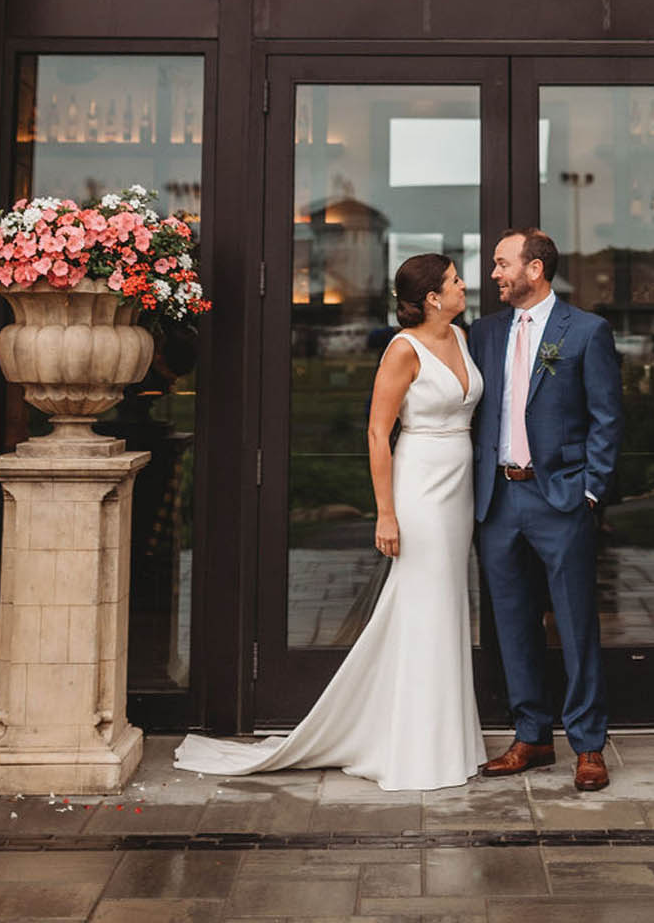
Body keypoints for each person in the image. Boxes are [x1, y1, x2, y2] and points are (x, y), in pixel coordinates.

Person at [174, 251, 485, 791]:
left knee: (446, 605)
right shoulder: (401, 350)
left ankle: (447, 739)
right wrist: (386, 512)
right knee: (424, 605)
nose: (465, 287)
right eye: (457, 281)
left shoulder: (459, 338)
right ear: (433, 297)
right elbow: (376, 434)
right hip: (421, 489)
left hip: (459, 487)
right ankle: (415, 748)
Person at [469, 228, 624, 792]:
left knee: (576, 623)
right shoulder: (483, 334)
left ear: (535, 270)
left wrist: (589, 491)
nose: (494, 274)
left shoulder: (585, 332)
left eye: (502, 264)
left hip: (559, 497)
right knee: (512, 625)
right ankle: (531, 736)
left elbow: (607, 417)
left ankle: (587, 744)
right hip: (498, 499)